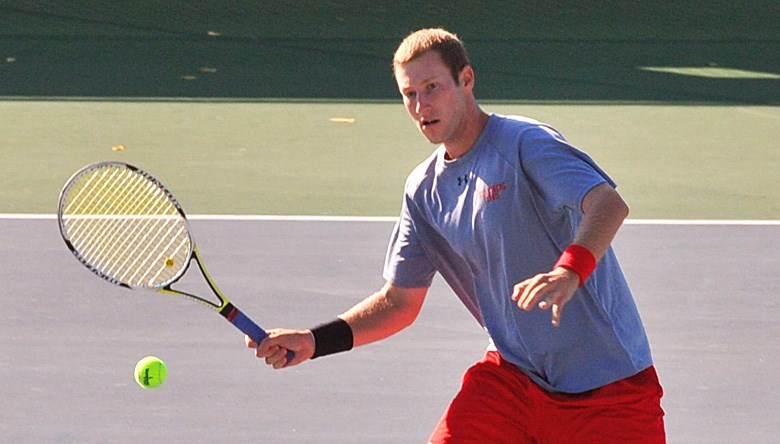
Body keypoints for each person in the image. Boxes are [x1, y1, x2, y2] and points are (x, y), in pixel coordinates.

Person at [247, 28, 666, 443]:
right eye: (409, 94)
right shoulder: (423, 191)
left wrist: (569, 272)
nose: (421, 105)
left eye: (432, 87)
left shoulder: (525, 144)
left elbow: (609, 205)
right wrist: (314, 340)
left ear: (466, 80)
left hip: (611, 390)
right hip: (514, 380)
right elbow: (398, 303)